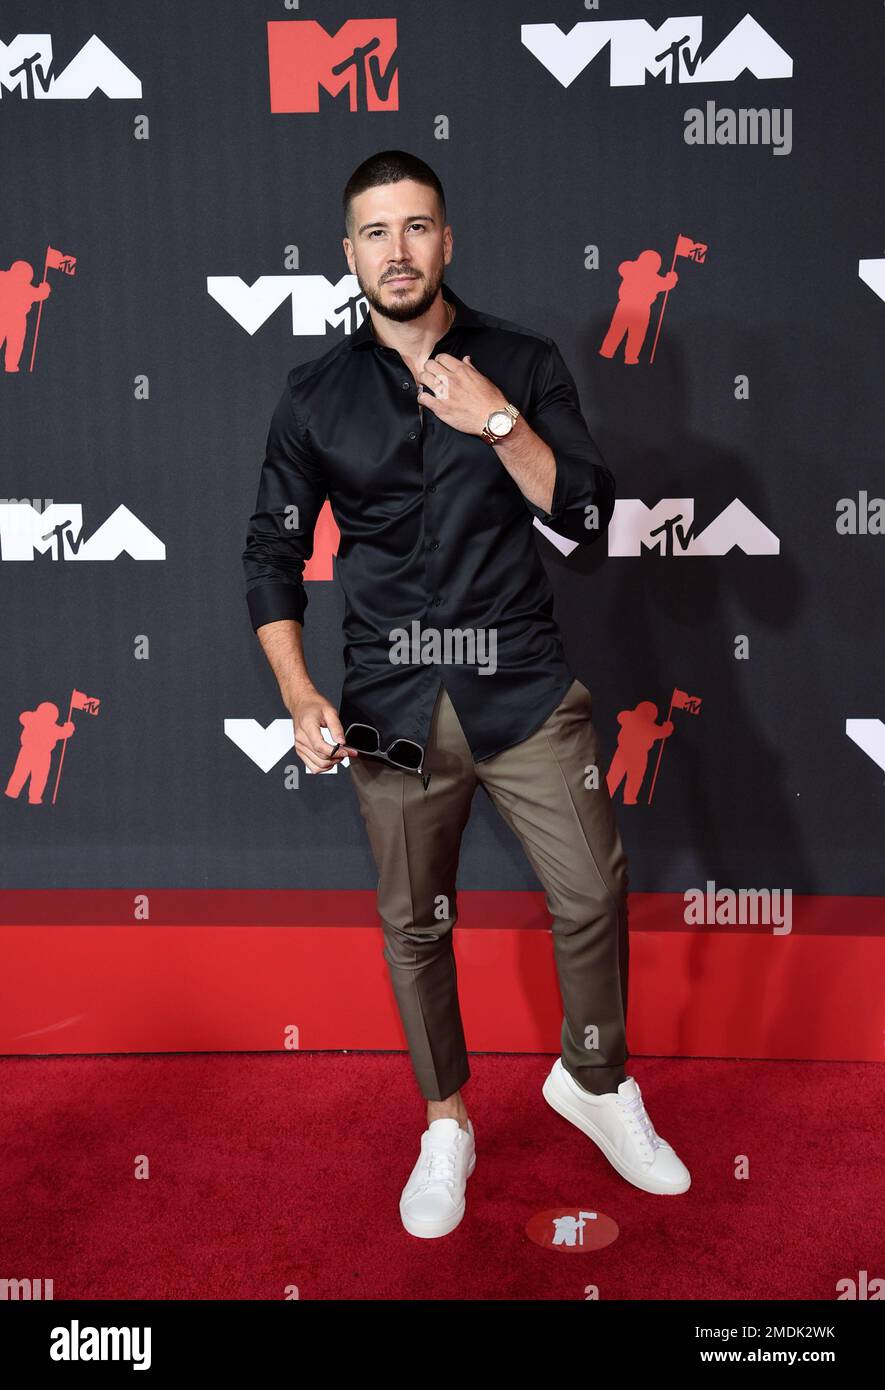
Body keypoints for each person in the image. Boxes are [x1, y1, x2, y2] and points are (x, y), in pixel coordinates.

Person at [242, 149, 690, 1239]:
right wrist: (298, 687)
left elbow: (587, 522)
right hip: (391, 702)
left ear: (448, 240)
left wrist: (498, 421)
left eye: (417, 228)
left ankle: (592, 1078)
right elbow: (272, 551)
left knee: (590, 890)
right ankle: (447, 1121)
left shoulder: (523, 366)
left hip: (523, 685)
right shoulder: (313, 395)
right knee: (414, 924)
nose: (398, 252)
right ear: (347, 254)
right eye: (376, 233)